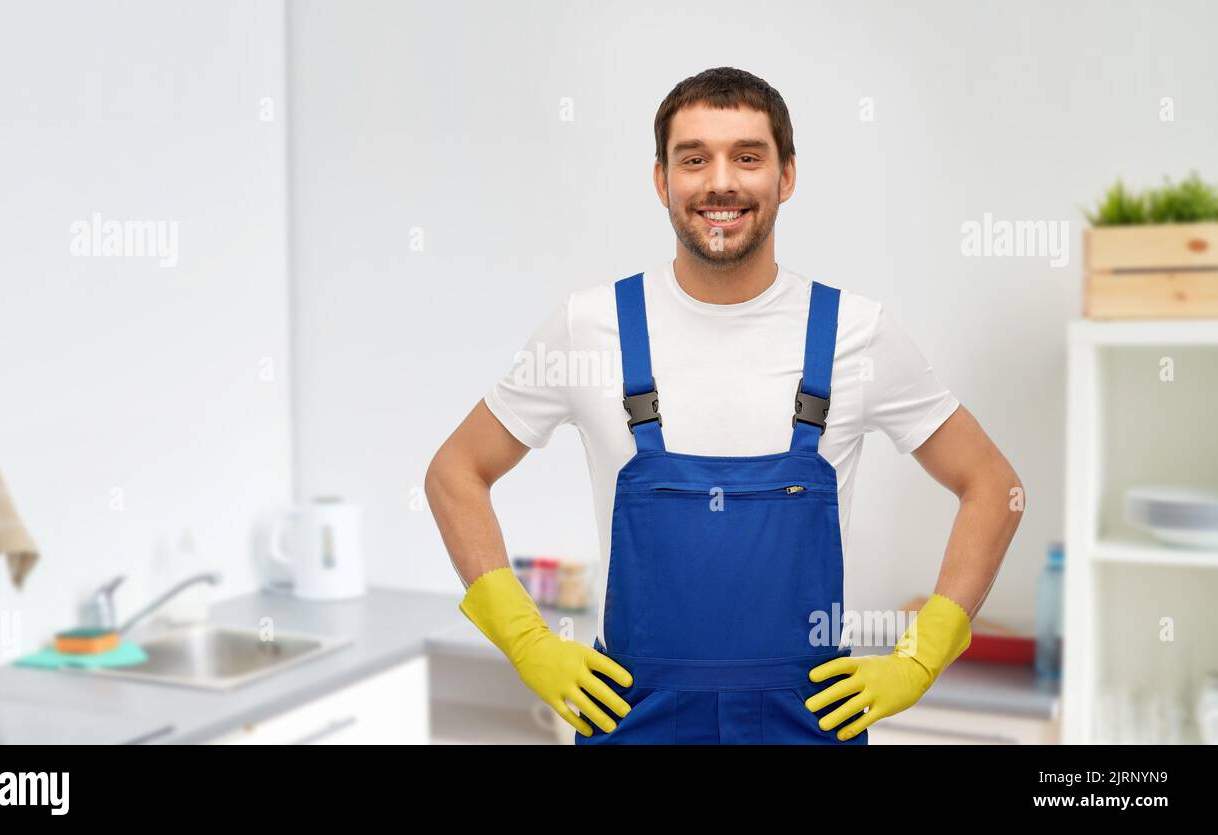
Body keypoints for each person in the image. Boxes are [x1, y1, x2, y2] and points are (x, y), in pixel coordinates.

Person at [424, 67, 1022, 744]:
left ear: (786, 176)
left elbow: (994, 485)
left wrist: (922, 655)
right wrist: (528, 641)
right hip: (633, 719)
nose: (720, 182)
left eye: (747, 156)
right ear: (662, 181)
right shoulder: (589, 327)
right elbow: (454, 473)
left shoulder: (858, 333)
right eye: (693, 159)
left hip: (808, 722)